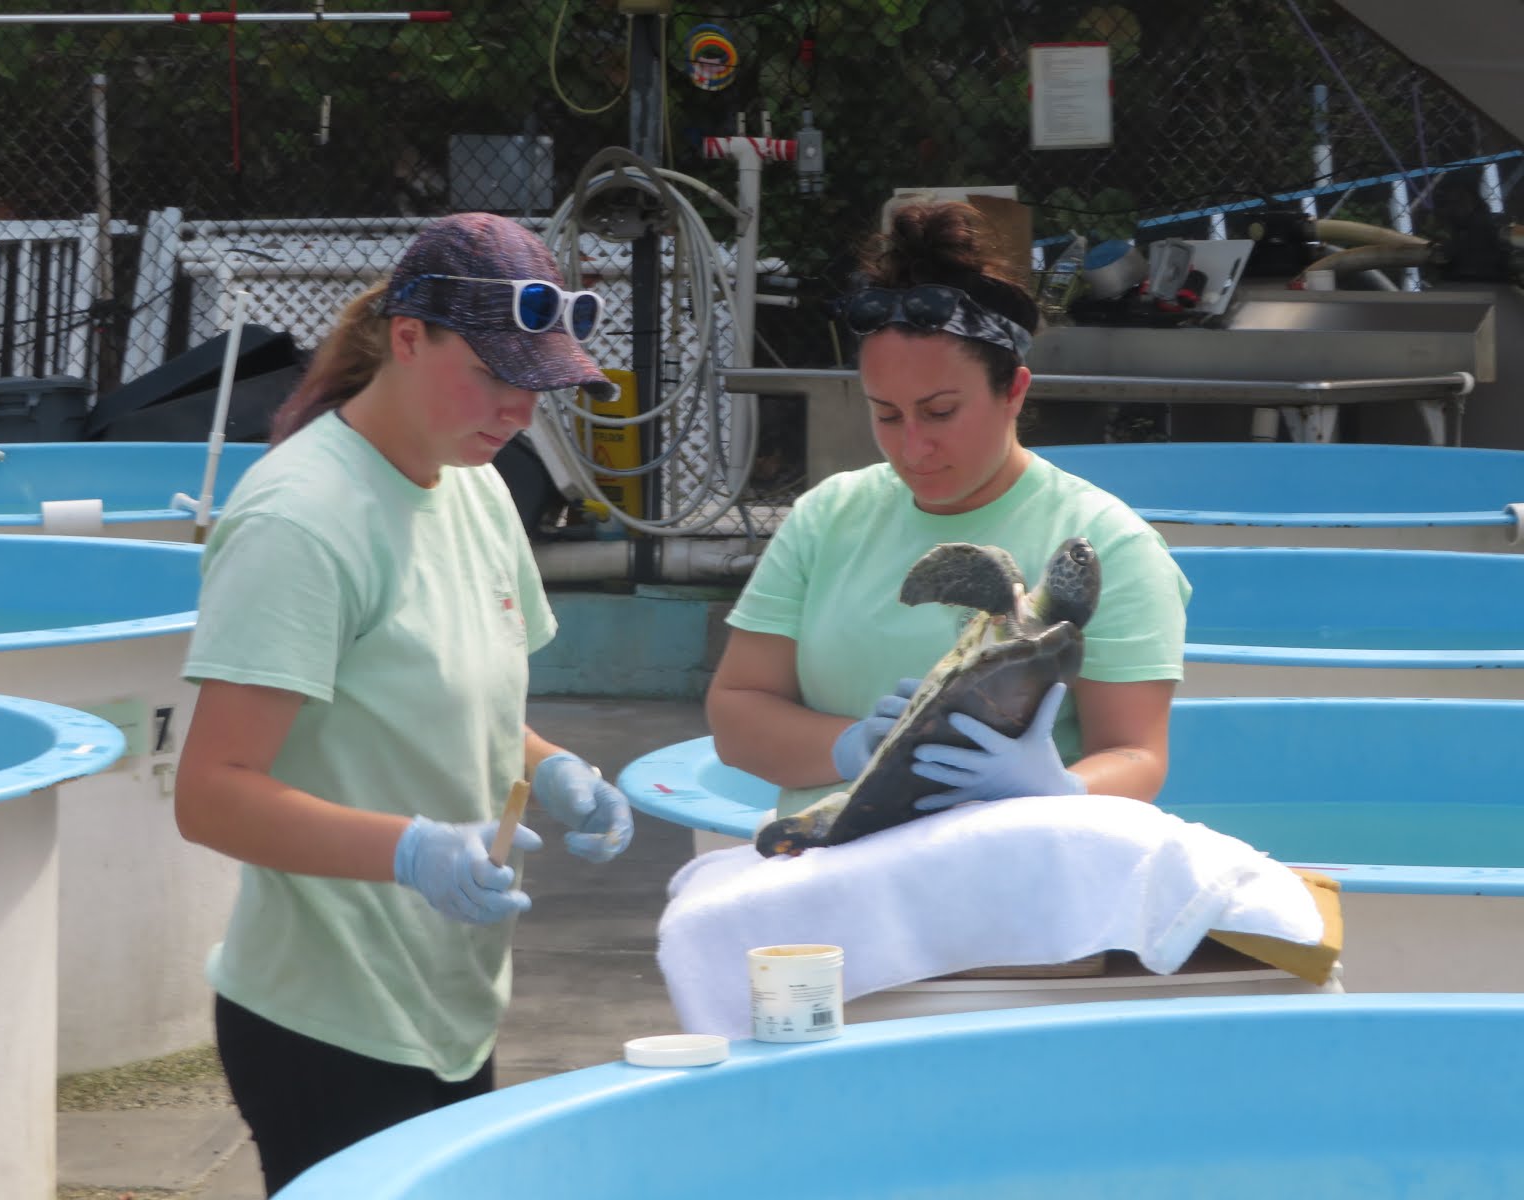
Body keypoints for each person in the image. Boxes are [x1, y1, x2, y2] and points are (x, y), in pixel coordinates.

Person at [175, 212, 636, 1194]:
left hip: (450, 1003)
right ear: (408, 337)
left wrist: (552, 767)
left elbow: (452, 701)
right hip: (328, 1020)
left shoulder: (475, 486)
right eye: (494, 374)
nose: (518, 409)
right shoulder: (303, 521)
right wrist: (408, 850)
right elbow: (213, 793)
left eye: (536, 384)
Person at [707, 200, 1191, 821]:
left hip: (1008, 859)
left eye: (940, 412)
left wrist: (1058, 790)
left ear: (1014, 391)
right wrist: (858, 748)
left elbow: (1135, 754)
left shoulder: (1109, 543)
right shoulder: (827, 516)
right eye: (886, 414)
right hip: (826, 862)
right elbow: (737, 714)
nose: (913, 448)